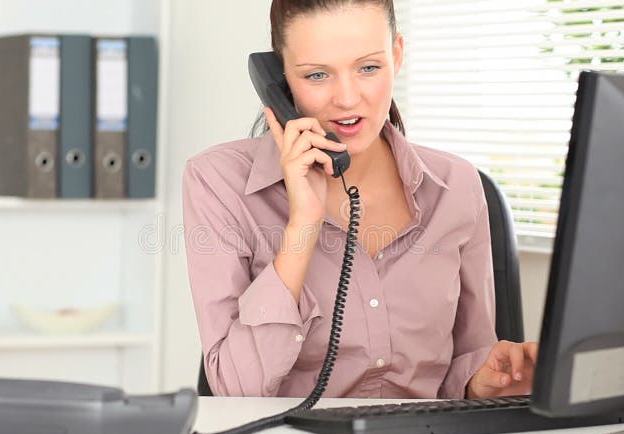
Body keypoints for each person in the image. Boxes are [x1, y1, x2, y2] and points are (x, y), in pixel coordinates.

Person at [182, 0, 537, 399]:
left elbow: (470, 359)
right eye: (317, 75)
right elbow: (234, 392)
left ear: (396, 55)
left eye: (368, 68)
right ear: (280, 79)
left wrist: (484, 380)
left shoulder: (457, 186)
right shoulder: (218, 181)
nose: (347, 99)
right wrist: (303, 224)